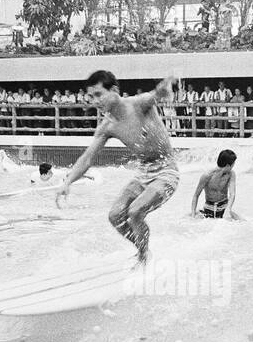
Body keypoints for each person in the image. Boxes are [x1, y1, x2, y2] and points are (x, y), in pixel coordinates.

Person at [57, 70, 180, 263]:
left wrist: (165, 87)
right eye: (91, 97)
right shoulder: (107, 126)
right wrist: (68, 182)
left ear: (114, 90)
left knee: (135, 211)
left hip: (166, 171)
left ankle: (143, 259)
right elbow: (88, 157)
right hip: (143, 173)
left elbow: (156, 94)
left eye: (99, 94)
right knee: (115, 216)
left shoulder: (139, 104)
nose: (95, 101)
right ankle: (144, 251)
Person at [190, 149, 241, 220]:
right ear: (227, 165)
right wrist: (193, 215)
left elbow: (232, 194)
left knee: (244, 222)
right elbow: (196, 195)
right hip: (208, 210)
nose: (234, 165)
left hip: (224, 208)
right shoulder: (207, 176)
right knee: (187, 220)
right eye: (233, 163)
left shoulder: (231, 174)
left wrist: (228, 210)